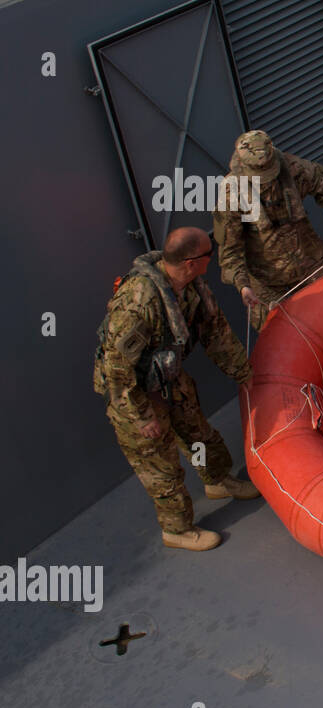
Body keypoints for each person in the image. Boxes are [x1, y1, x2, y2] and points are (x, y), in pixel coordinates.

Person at [92, 227, 261, 552]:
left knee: (198, 431)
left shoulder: (192, 287)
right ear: (190, 262)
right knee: (161, 467)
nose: (212, 259)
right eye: (208, 254)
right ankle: (177, 530)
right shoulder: (138, 303)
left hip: (167, 379)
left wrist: (242, 371)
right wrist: (142, 417)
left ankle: (217, 479)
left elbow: (216, 331)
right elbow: (117, 369)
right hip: (132, 395)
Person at [211, 129, 323, 330]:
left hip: (307, 261)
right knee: (276, 336)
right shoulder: (231, 194)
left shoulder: (294, 169)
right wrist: (243, 285)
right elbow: (229, 249)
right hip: (266, 280)